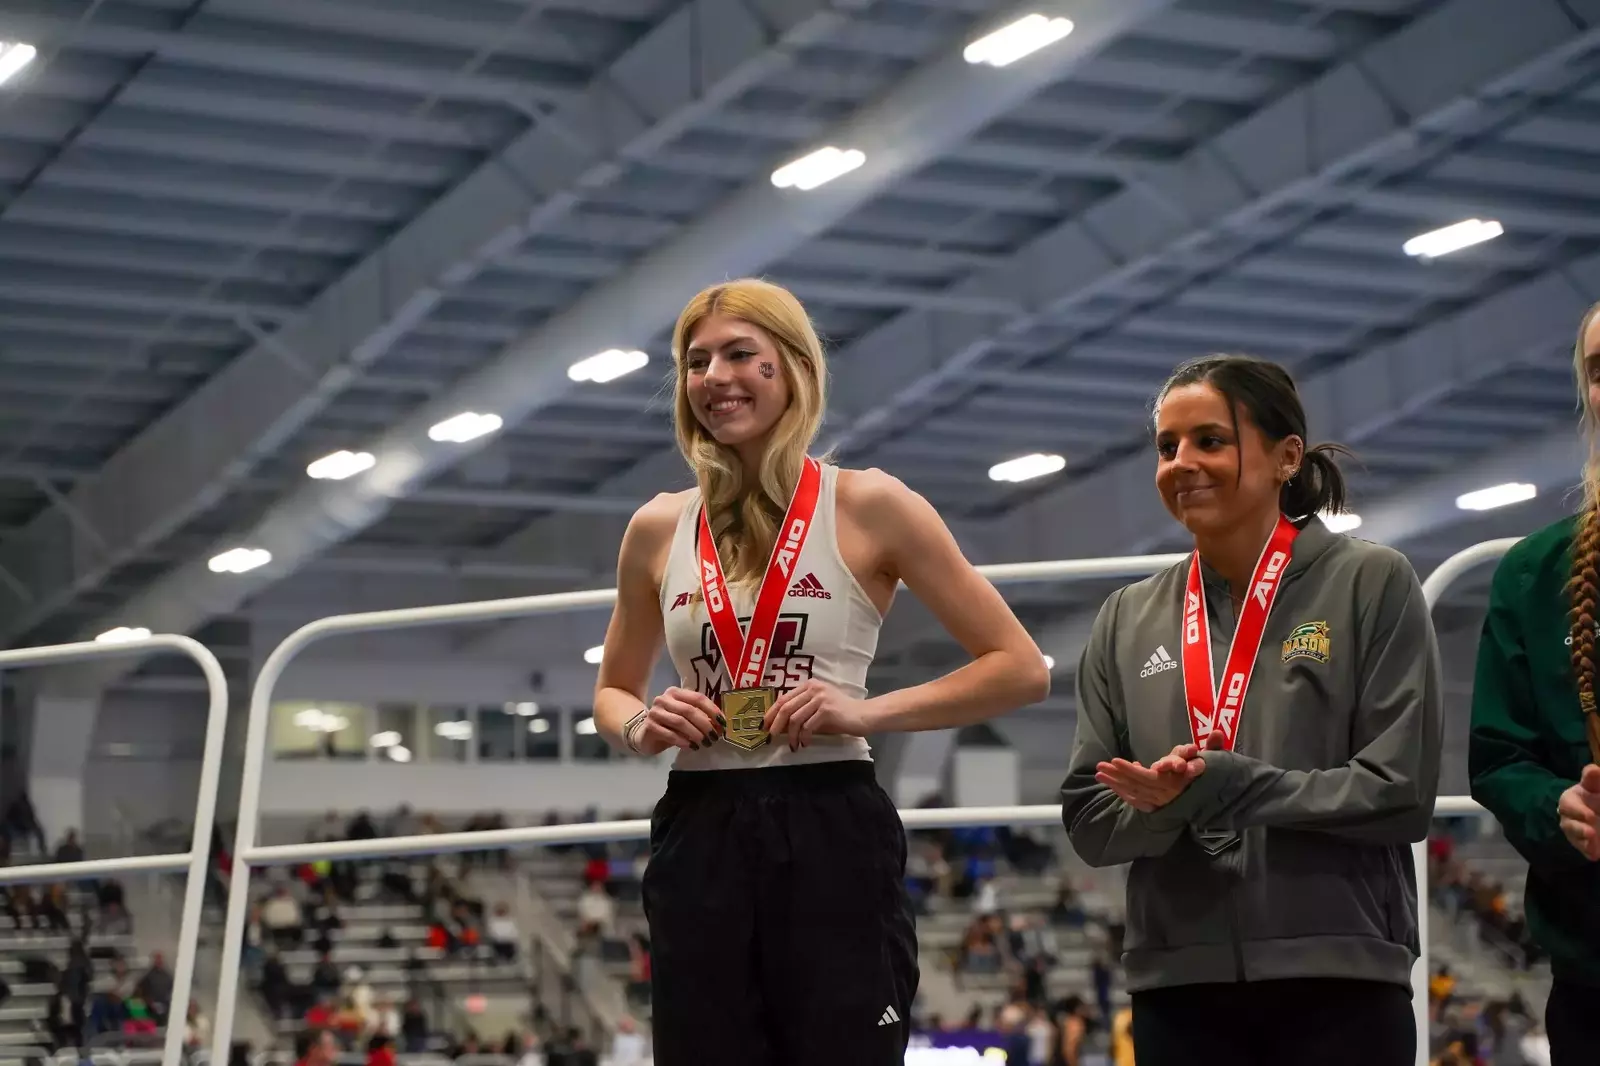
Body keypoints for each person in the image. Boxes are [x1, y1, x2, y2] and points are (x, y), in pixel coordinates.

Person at [592, 278, 1050, 1065]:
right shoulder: (658, 526)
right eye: (696, 361)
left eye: (742, 354)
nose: (714, 377)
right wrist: (638, 723)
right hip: (700, 823)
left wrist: (866, 712)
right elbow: (611, 688)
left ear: (794, 369)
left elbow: (1019, 669)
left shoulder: (872, 505)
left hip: (829, 815)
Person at [1058, 353, 1442, 1066]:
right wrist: (1171, 802)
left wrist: (1235, 785)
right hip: (1176, 982)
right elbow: (1090, 821)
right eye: (1166, 447)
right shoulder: (1126, 618)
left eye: (1210, 440)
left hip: (1340, 975)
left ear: (1286, 456)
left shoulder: (1370, 582)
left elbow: (1401, 794)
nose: (1182, 463)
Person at [1468, 299, 1600, 1063]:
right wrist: (1563, 808)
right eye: (1598, 370)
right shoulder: (1533, 574)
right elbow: (1498, 757)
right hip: (1591, 962)